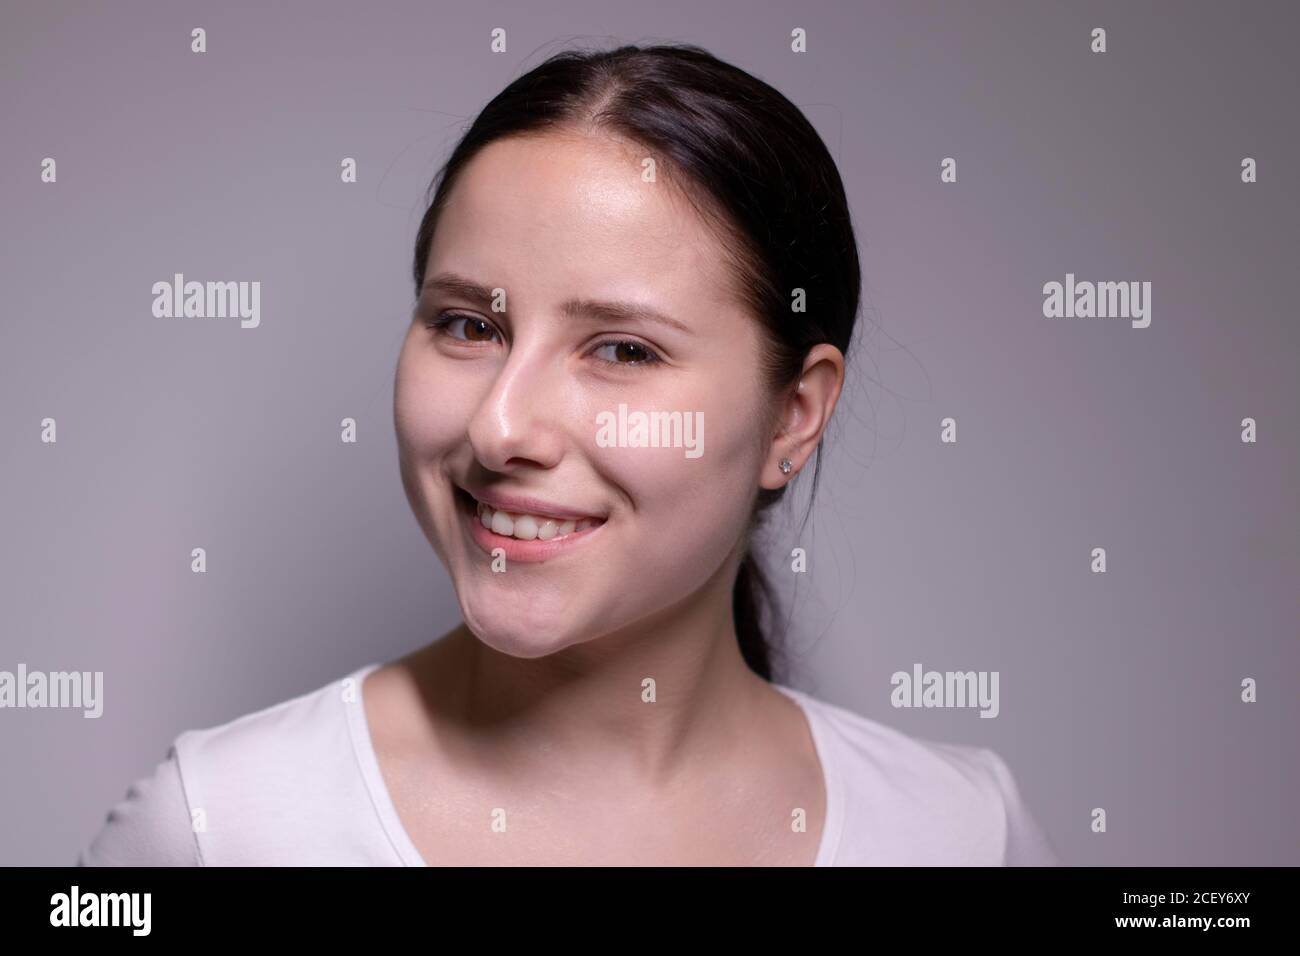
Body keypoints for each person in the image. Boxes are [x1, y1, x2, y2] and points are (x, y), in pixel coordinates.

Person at [78, 42, 1059, 866]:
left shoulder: (958, 830)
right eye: (467, 325)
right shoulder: (219, 827)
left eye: (622, 350)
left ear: (793, 416)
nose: (502, 427)